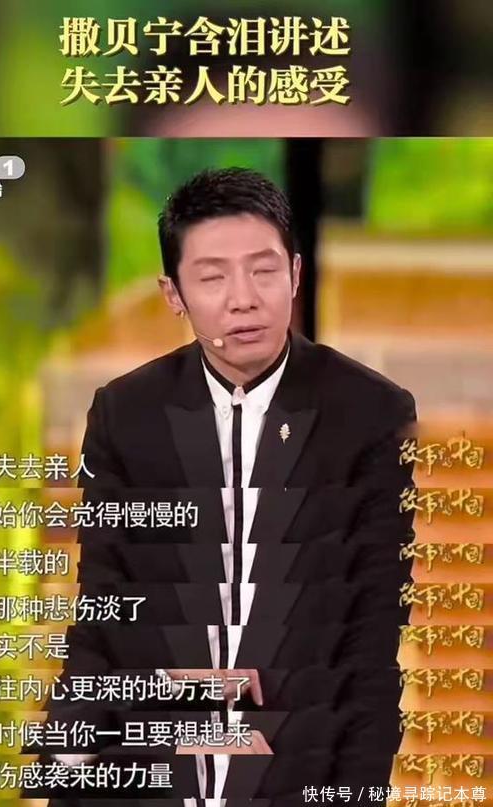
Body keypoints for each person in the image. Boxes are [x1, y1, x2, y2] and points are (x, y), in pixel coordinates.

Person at [36, 168, 417, 806]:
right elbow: (102, 610)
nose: (244, 299)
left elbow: (372, 643)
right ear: (174, 294)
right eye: (213, 277)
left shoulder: (370, 414)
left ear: (295, 274)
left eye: (263, 271)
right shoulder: (126, 414)